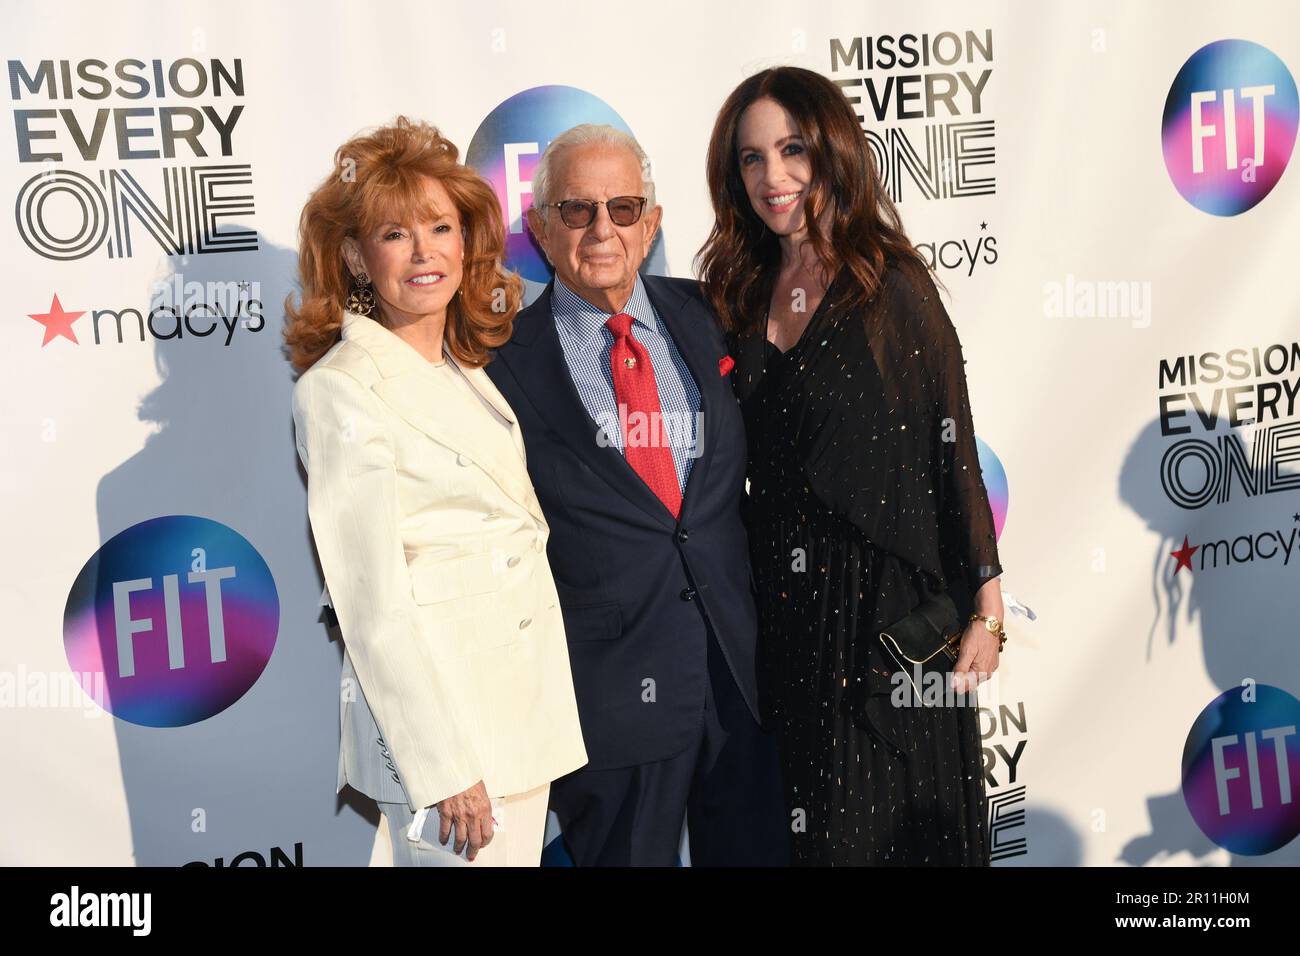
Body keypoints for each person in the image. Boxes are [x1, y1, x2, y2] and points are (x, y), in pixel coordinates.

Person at [697, 67, 1007, 865]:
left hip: (888, 617)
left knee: (895, 835)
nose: (773, 177)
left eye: (792, 149)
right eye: (751, 158)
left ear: (832, 150)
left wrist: (988, 602)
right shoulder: (739, 287)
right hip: (786, 617)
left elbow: (952, 441)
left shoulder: (890, 283)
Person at [284, 116, 587, 866]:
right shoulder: (342, 391)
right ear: (356, 257)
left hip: (517, 713)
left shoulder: (464, 369)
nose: (425, 254)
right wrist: (445, 768)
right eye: (395, 235)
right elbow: (370, 602)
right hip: (448, 742)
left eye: (441, 228)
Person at [485, 124, 789, 866]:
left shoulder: (716, 316)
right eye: (576, 210)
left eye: (622, 208)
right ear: (540, 230)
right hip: (609, 701)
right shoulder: (498, 365)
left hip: (741, 684)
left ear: (651, 224)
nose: (601, 230)